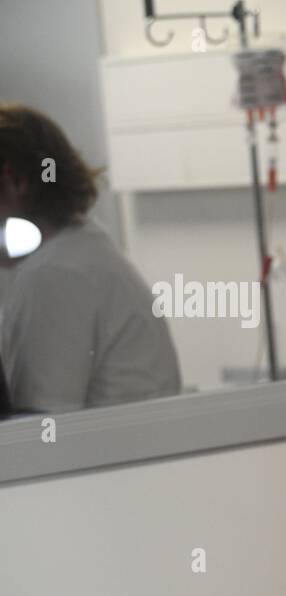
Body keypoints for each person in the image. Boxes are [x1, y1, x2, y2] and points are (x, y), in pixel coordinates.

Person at [0, 103, 179, 413]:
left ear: (16, 180)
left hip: (107, 456)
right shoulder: (81, 248)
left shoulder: (54, 274)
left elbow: (42, 426)